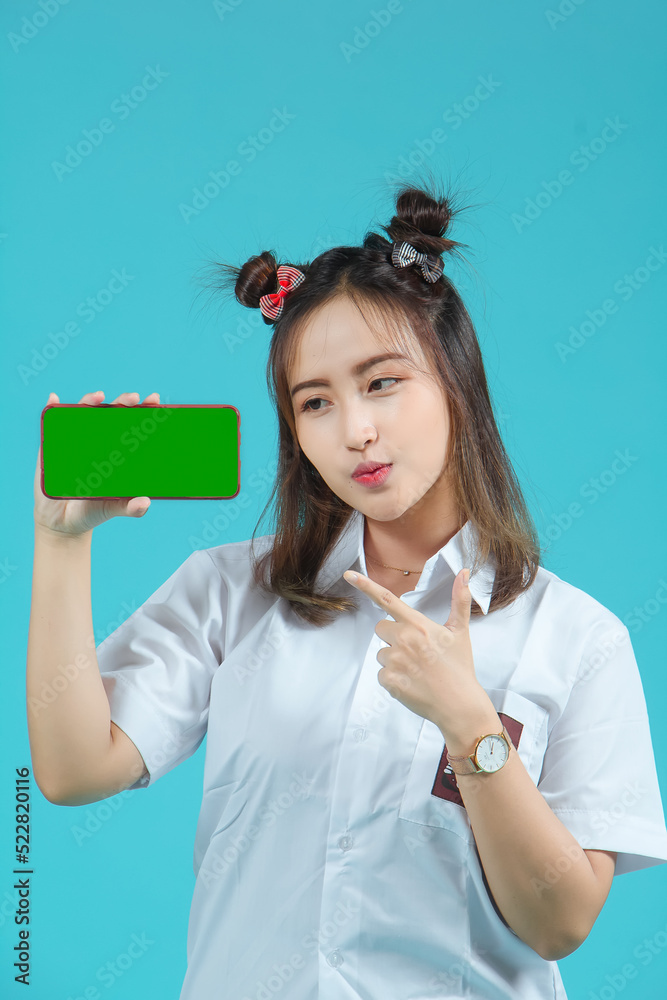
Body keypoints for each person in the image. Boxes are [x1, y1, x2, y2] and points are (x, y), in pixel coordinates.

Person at [27, 180, 667, 1000]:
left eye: (381, 383)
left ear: (455, 384)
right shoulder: (229, 592)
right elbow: (75, 770)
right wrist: (61, 541)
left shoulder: (577, 636)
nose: (353, 430)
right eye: (315, 402)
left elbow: (560, 923)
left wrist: (471, 727)